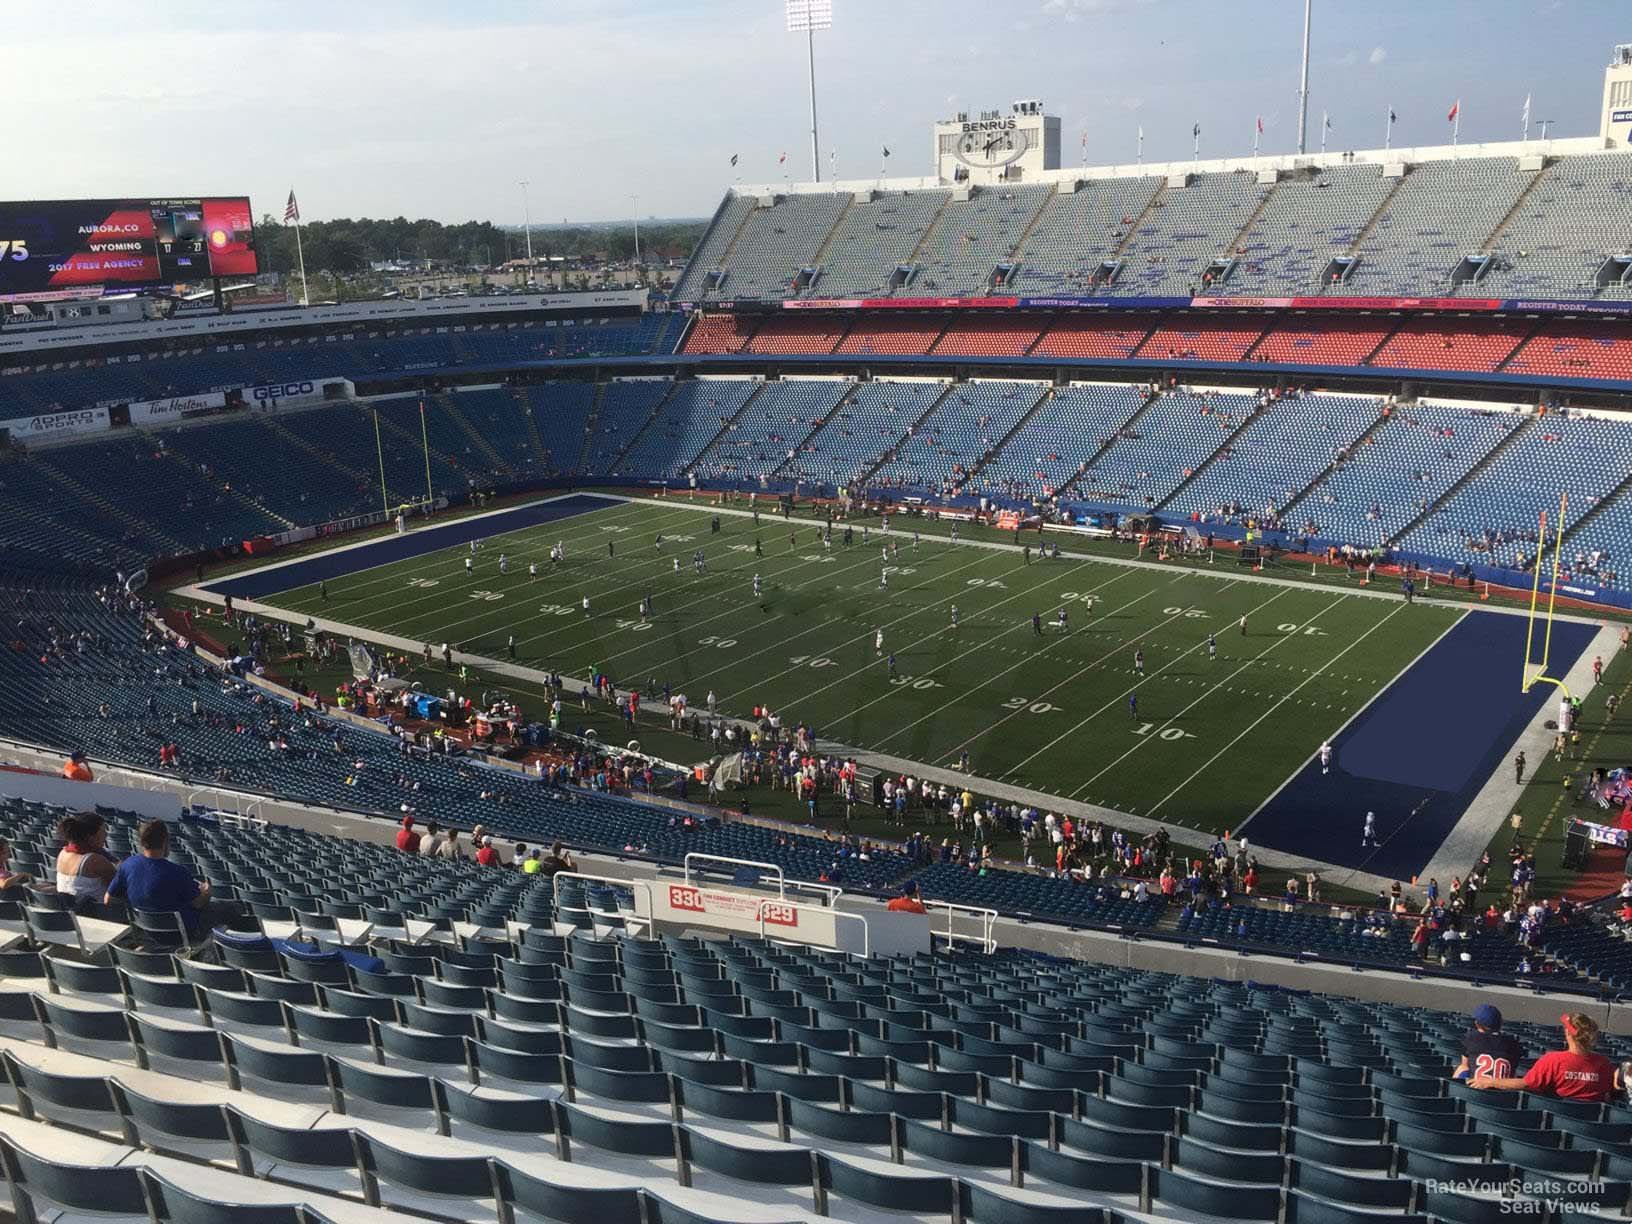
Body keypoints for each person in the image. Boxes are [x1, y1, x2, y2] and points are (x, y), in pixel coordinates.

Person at [104, 820, 223, 936]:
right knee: (226, 909)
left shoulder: (127, 865)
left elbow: (108, 899)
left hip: (144, 930)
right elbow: (198, 903)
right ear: (165, 841)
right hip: (180, 934)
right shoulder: (178, 872)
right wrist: (207, 892)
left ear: (141, 842)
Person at [1470, 1013, 1616, 1102]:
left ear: (1568, 1034)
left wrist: (1491, 1081)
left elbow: (1526, 1084)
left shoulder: (1553, 1060)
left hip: (1557, 1121)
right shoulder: (1604, 1064)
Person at [55, 811, 117, 912]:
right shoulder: (95, 860)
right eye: (103, 831)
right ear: (91, 837)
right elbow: (119, 887)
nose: (106, 835)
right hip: (97, 915)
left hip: (69, 913)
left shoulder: (62, 853)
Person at [1453, 1004, 1524, 1082]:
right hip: (1503, 1088)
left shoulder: (1470, 1038)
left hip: (1476, 1087)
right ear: (1500, 1023)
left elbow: (1465, 1065)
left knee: (1462, 1067)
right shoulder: (1513, 1043)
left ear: (1477, 1024)